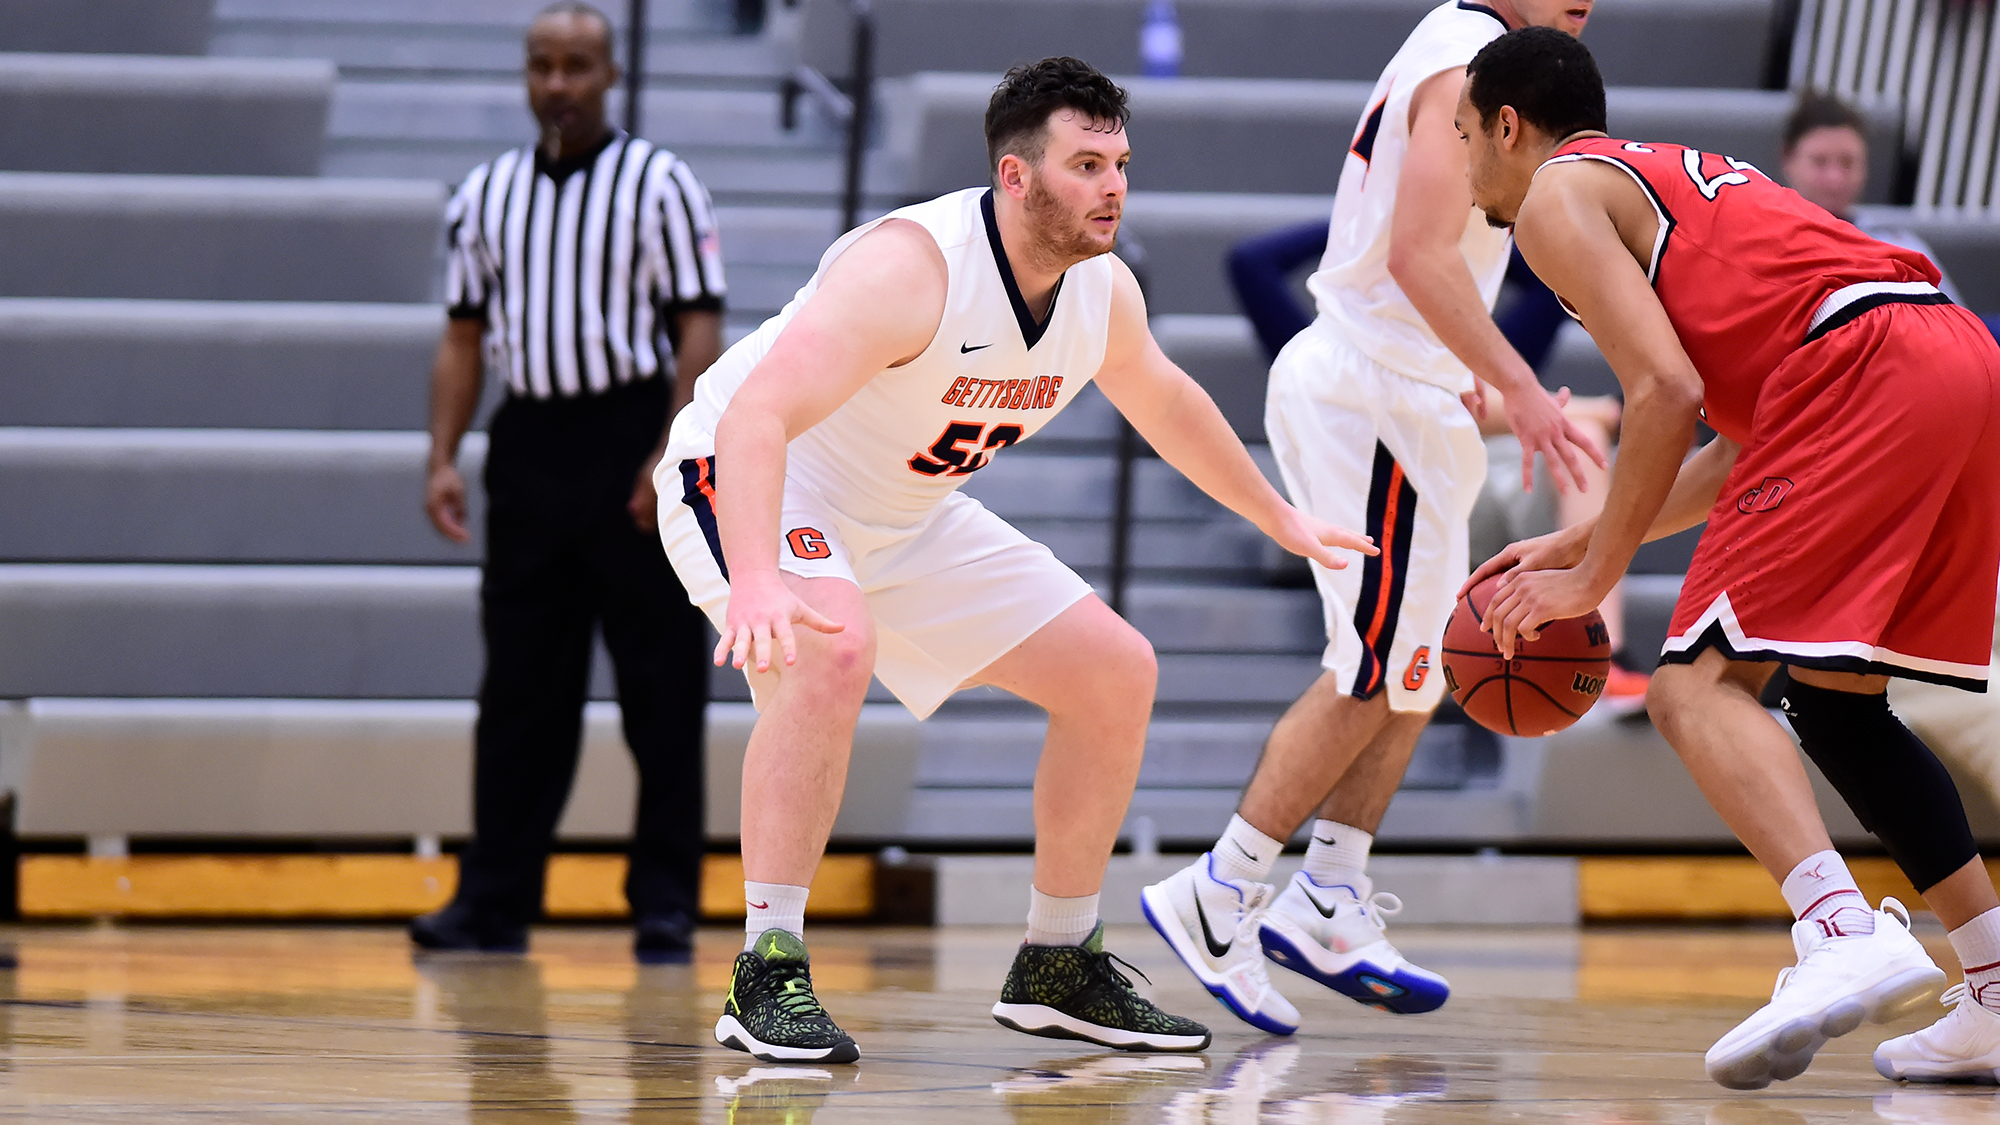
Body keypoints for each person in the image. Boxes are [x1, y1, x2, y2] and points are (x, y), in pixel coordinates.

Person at [656, 56, 1378, 1064]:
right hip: (755, 480)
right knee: (829, 651)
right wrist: (762, 577)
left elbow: (1163, 401)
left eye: (1120, 162)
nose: (1113, 186)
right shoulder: (912, 269)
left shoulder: (1101, 293)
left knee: (1113, 671)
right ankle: (765, 971)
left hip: (905, 512)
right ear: (1014, 176)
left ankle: (1056, 964)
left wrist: (1279, 515)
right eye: (1086, 164)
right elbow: (756, 417)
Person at [1458, 27, 2000, 1089]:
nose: (1466, 162)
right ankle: (1992, 989)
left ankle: (1835, 927)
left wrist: (1593, 577)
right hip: (1945, 355)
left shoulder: (1556, 199)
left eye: (1467, 134)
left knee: (1689, 689)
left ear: (1507, 126)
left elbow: (1662, 394)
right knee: (1838, 707)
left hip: (1860, 367)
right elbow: (1737, 437)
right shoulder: (1658, 182)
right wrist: (1581, 537)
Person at [1140, 0, 1605, 1037]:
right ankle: (1219, 891)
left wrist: (1482, 393)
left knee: (1411, 666)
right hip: (1371, 395)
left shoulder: (1469, 49)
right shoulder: (1461, 62)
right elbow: (1417, 256)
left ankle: (1328, 896)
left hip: (1412, 395)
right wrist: (1522, 389)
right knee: (1370, 665)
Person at [413, 1, 723, 961]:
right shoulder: (484, 194)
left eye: (577, 66)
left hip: (632, 434)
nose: (558, 83)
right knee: (518, 693)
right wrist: (442, 453)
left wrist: (668, 453)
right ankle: (495, 899)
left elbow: (700, 331)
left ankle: (665, 900)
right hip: (531, 446)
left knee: (661, 689)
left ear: (611, 76)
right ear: (526, 75)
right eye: (542, 65)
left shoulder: (661, 185)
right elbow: (463, 337)